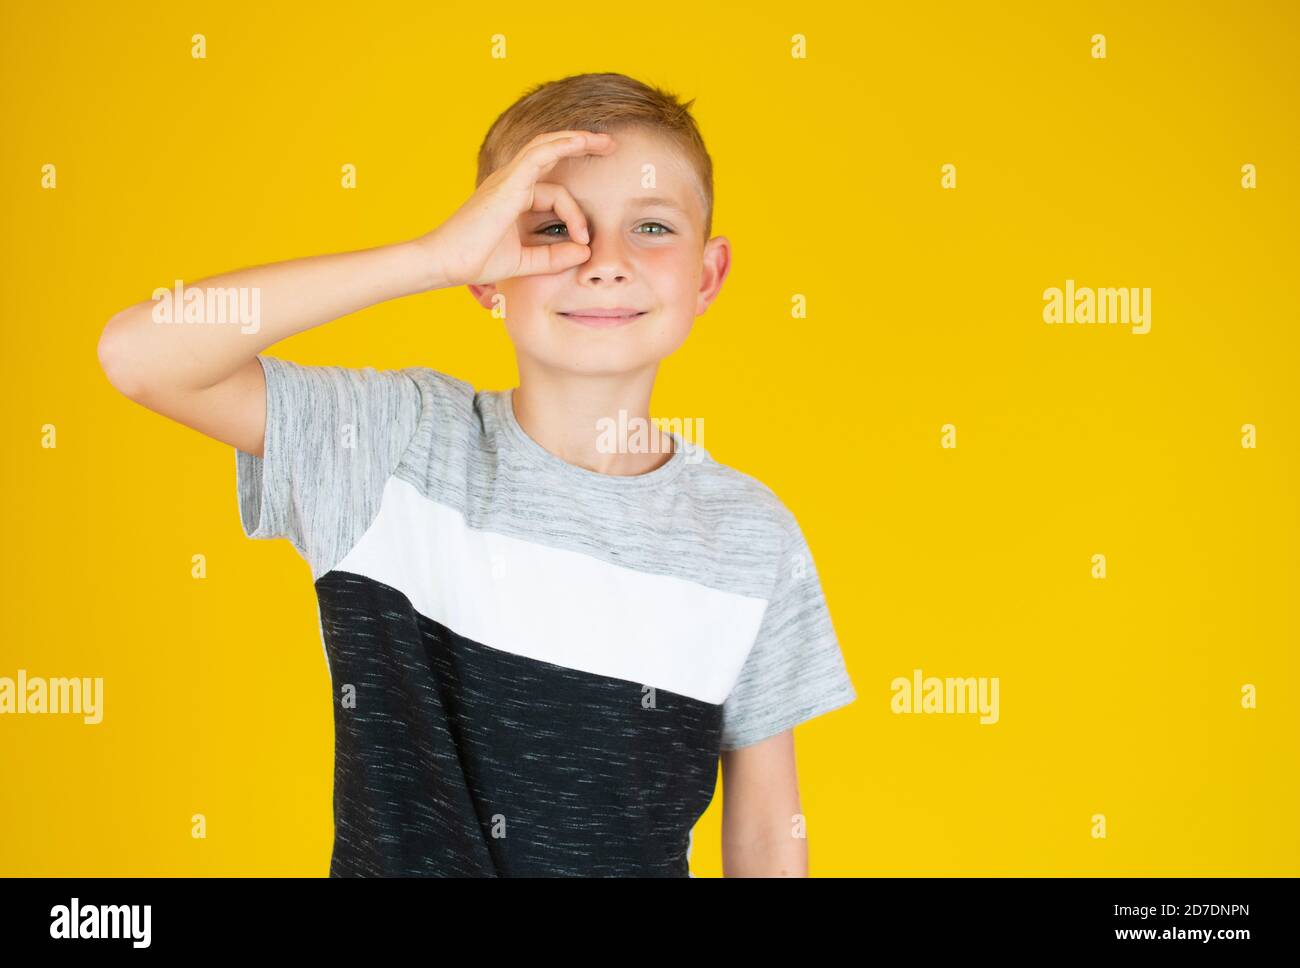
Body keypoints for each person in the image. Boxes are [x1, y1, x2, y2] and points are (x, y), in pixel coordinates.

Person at [97, 72, 856, 877]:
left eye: (654, 227)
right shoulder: (392, 447)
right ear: (488, 272)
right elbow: (139, 355)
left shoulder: (748, 537)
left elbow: (771, 832)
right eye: (555, 228)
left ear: (707, 275)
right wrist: (429, 256)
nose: (604, 262)